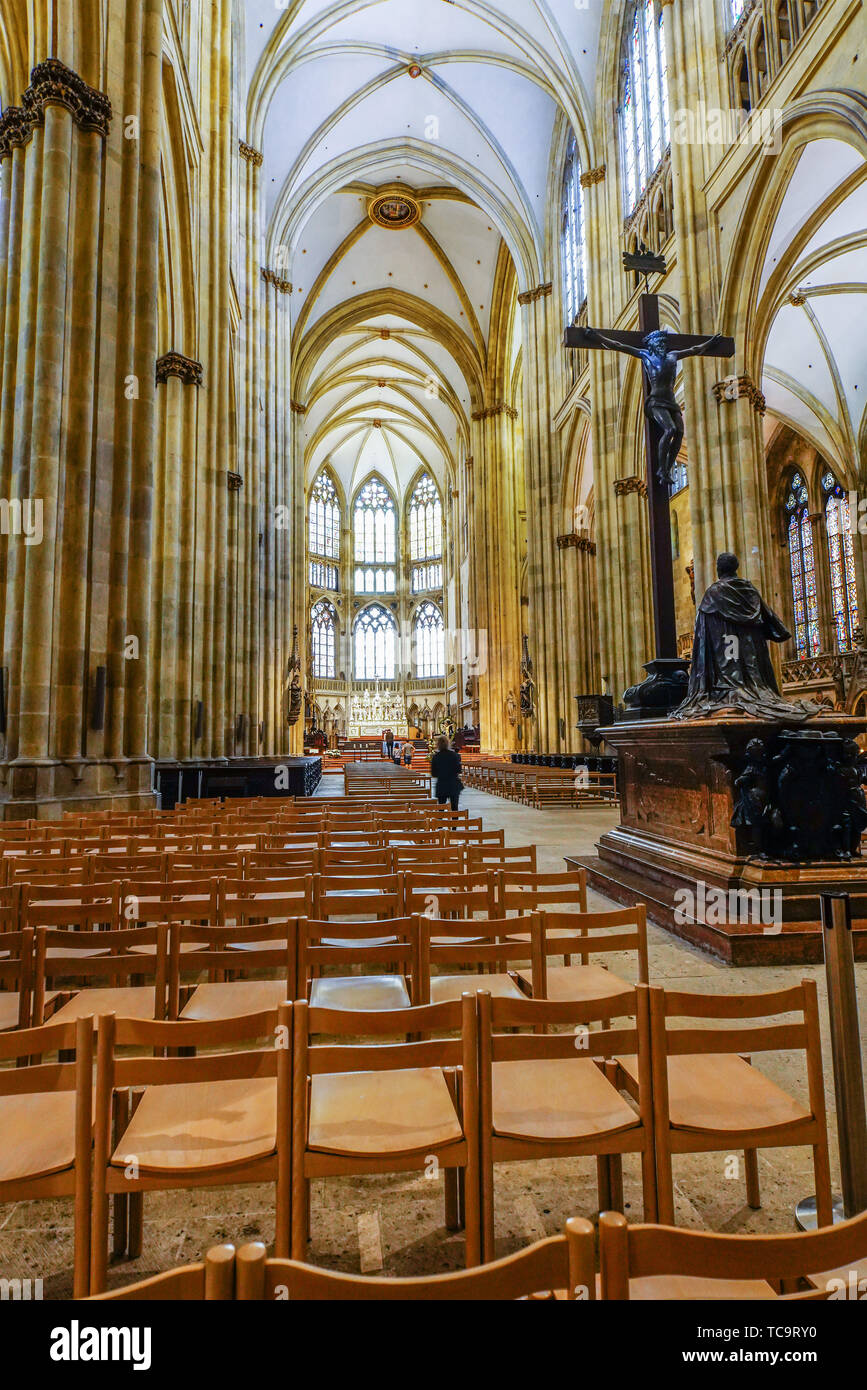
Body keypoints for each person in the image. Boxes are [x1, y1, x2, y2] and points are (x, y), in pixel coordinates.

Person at [673, 552, 820, 722]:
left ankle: (733, 687)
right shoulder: (749, 590)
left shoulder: (713, 593)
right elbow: (769, 619)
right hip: (751, 654)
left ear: (719, 569)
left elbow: (703, 634)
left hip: (728, 646)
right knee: (745, 678)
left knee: (732, 676)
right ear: (735, 568)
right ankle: (742, 687)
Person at [431, 734, 463, 812]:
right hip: (453, 784)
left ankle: (440, 823)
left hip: (442, 785)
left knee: (441, 809)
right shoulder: (454, 755)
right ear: (448, 743)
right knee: (455, 809)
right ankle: (454, 823)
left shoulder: (436, 757)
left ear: (438, 744)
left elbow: (434, 773)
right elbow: (459, 770)